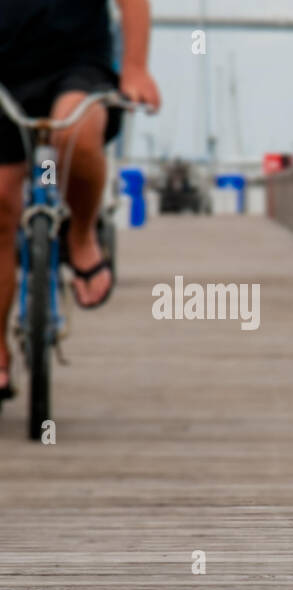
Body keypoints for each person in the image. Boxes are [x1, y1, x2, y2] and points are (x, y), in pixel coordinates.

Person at [0, 0, 161, 401]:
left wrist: (135, 68)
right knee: (1, 203)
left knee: (77, 136)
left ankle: (83, 234)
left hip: (77, 65)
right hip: (5, 69)